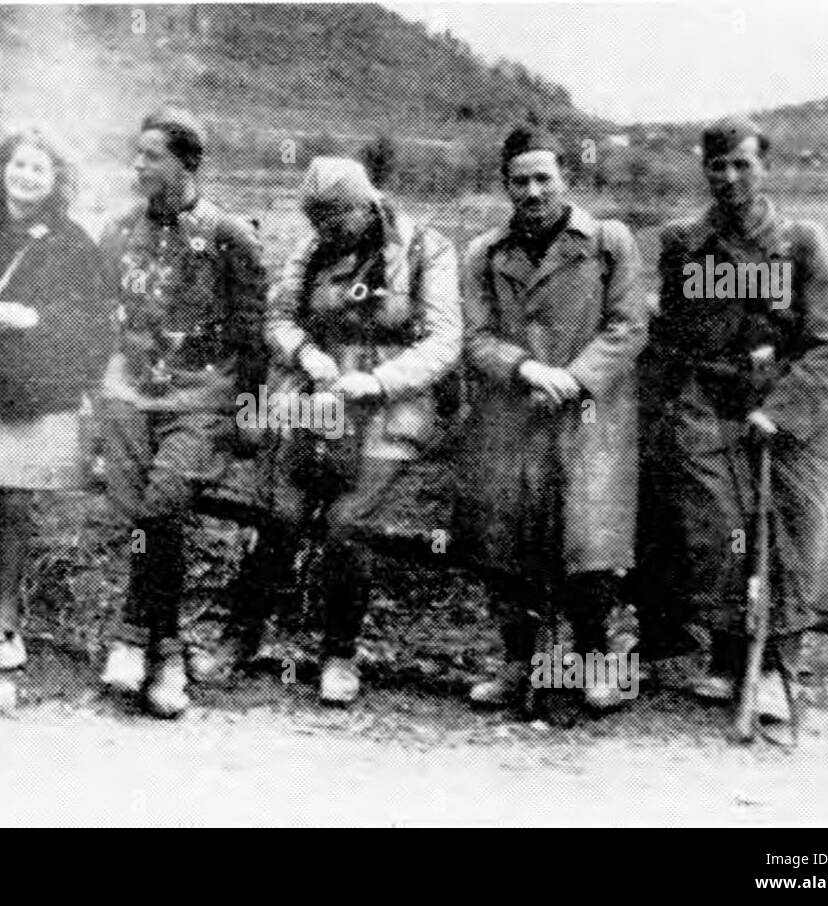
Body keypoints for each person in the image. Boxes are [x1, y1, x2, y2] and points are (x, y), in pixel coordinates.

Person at [642, 117, 828, 724]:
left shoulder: (801, 243)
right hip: (708, 406)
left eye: (742, 164)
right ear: (704, 170)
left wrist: (780, 411)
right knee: (717, 529)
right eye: (717, 166)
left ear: (764, 167)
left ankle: (774, 669)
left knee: (790, 532)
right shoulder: (680, 243)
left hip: (790, 412)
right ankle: (726, 660)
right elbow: (670, 334)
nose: (729, 177)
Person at [231, 156, 461, 705]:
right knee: (281, 511)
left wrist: (378, 381)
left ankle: (339, 651)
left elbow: (444, 340)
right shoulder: (311, 252)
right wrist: (307, 354)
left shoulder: (427, 250)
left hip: (389, 407)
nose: (326, 232)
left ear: (367, 204)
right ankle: (241, 634)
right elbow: (277, 318)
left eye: (337, 220)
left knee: (346, 522)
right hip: (319, 397)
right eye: (317, 221)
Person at [455, 126, 647, 714]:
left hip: (591, 419)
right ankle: (518, 665)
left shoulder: (609, 241)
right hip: (510, 417)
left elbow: (629, 326)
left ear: (566, 179)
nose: (533, 192)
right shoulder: (485, 254)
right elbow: (477, 337)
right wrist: (525, 370)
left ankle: (595, 663)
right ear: (505, 185)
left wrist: (575, 376)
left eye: (544, 178)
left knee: (589, 545)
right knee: (505, 546)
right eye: (520, 181)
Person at [0, 125, 114, 673]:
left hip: (27, 387)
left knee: (12, 504)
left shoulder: (71, 242)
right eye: (18, 164)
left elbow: (93, 321)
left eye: (39, 168)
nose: (25, 175)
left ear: (56, 180)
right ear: (1, 168)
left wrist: (35, 318)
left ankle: (5, 622)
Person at [97, 108, 267, 718]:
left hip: (202, 399)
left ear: (188, 163)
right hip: (130, 394)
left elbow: (253, 338)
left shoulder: (230, 237)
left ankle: (148, 643)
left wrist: (249, 411)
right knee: (137, 513)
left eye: (152, 155)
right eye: (136, 155)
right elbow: (101, 322)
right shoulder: (118, 232)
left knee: (162, 502)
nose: (138, 166)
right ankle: (153, 639)